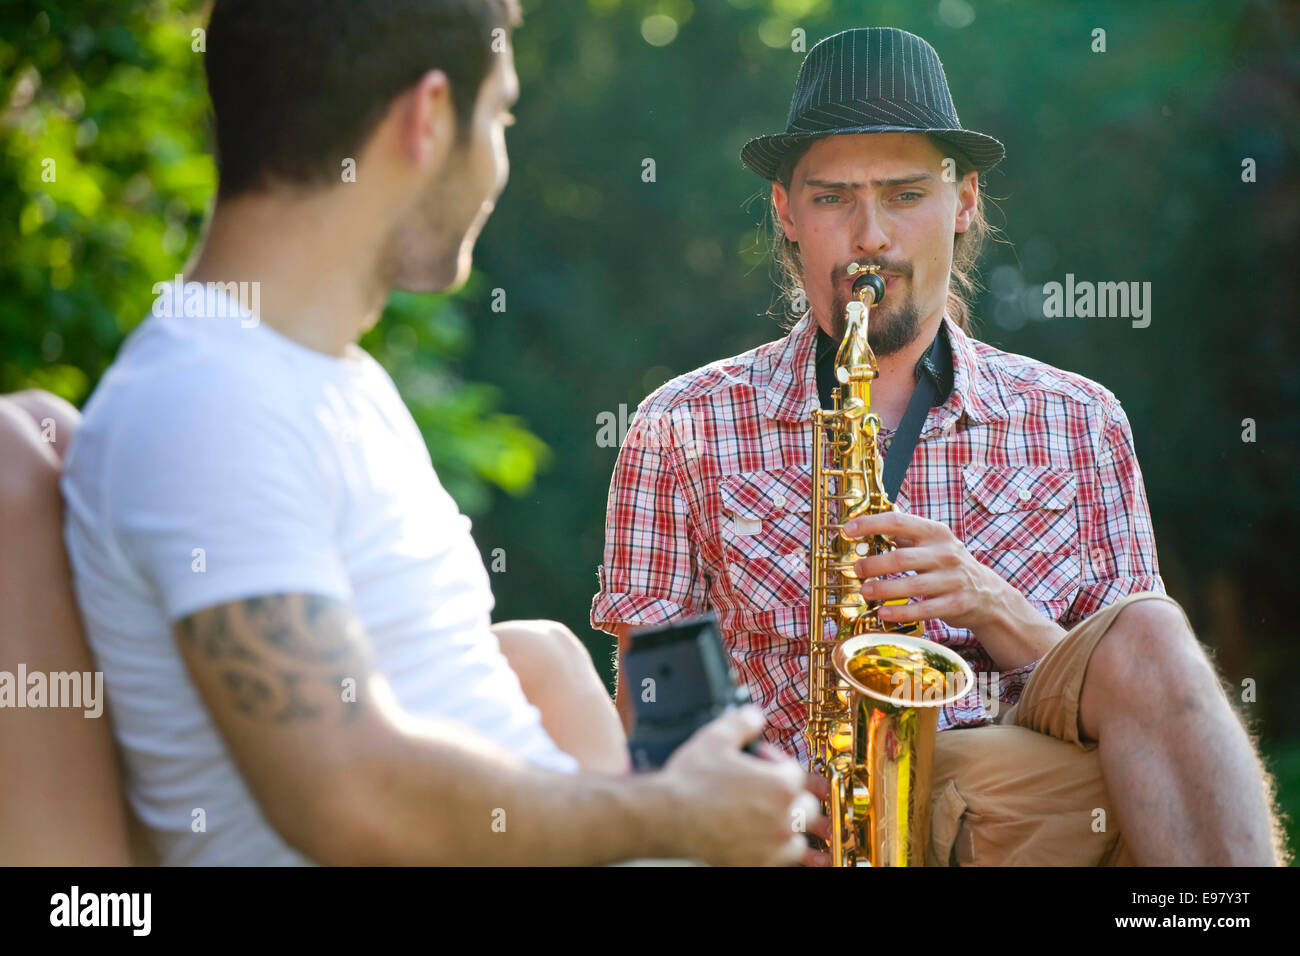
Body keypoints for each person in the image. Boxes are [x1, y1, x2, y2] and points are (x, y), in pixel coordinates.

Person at [10, 0, 824, 866]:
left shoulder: (328, 383)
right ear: (428, 116)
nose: (501, 160)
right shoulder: (210, 399)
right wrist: (667, 814)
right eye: (501, 115)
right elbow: (350, 795)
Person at [592, 27, 1287, 866]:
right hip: (800, 836)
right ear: (785, 211)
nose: (871, 235)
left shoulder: (1080, 419)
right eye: (832, 198)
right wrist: (757, 804)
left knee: (1149, 632)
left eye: (906, 194)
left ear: (964, 203)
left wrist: (991, 604)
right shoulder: (679, 425)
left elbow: (1154, 698)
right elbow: (652, 716)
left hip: (1028, 824)